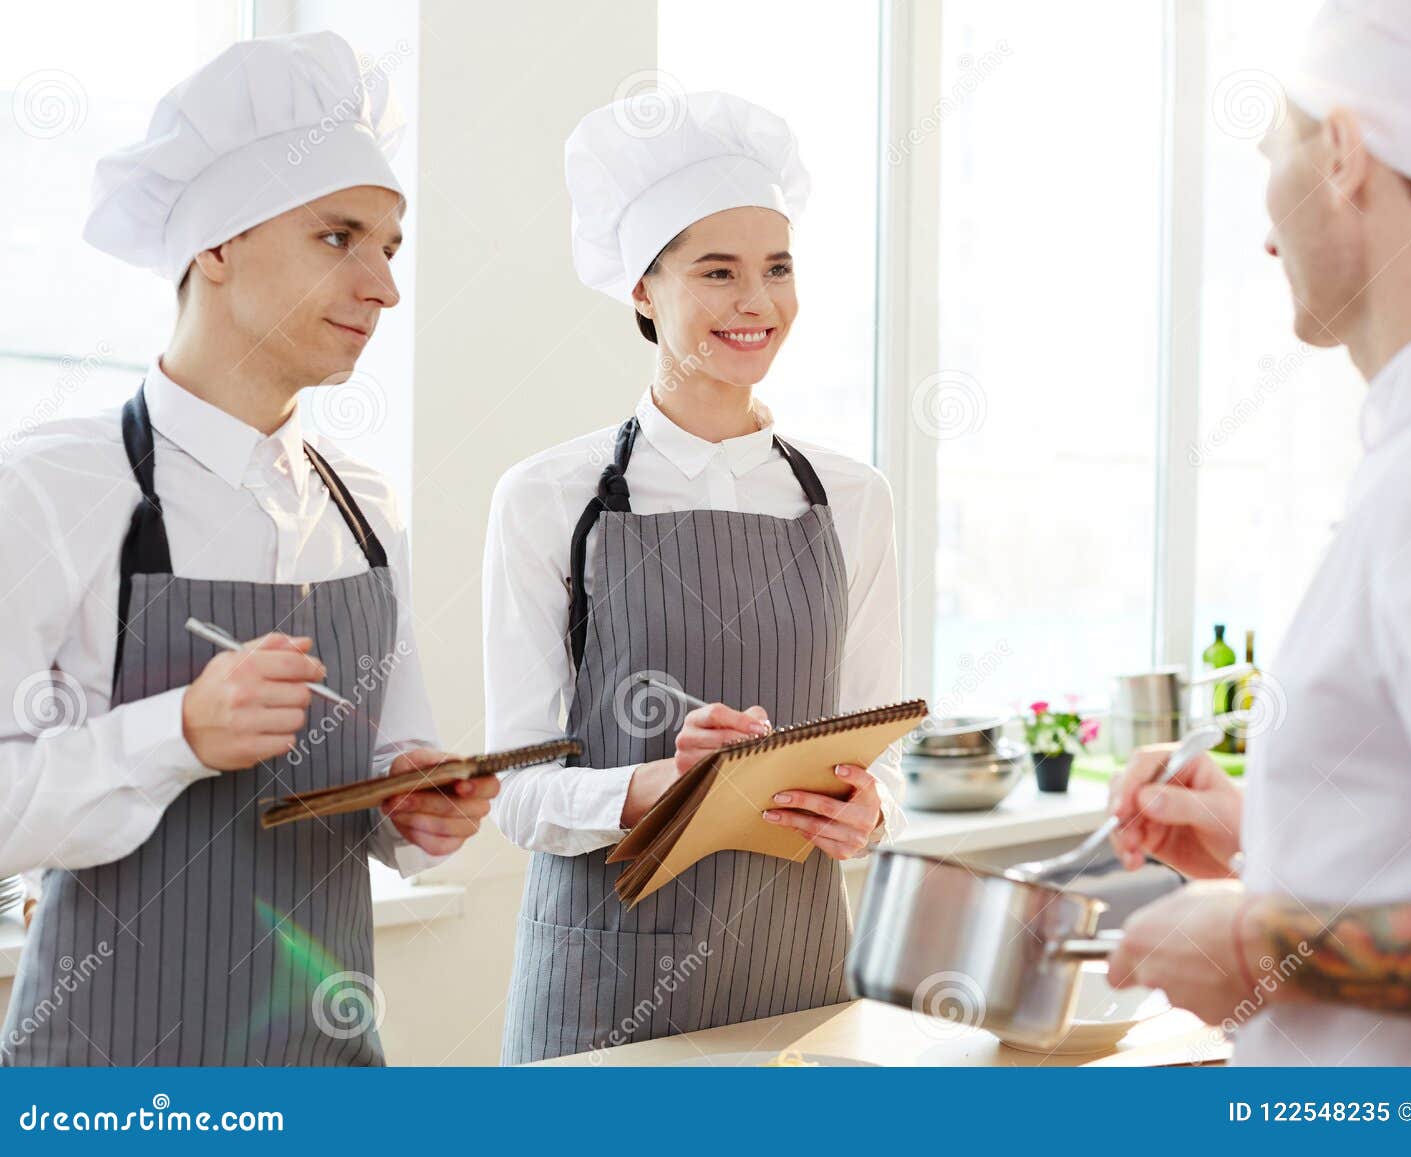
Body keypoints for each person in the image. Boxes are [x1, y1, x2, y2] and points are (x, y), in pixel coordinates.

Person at [1105, 0, 1411, 1064]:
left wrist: (1257, 938)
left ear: (1341, 153)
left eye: (1270, 153)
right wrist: (1280, 840)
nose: (1265, 225)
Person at [0, 32, 497, 1066]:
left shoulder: (363, 507)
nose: (382, 287)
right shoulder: (51, 486)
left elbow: (382, 769)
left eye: (390, 247)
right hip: (110, 1065)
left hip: (329, 1060)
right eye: (338, 237)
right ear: (215, 247)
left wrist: (411, 800)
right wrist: (176, 729)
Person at [484, 91, 905, 1062]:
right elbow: (517, 795)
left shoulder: (851, 496)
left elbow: (878, 750)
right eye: (718, 272)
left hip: (796, 977)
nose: (756, 303)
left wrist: (868, 809)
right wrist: (660, 784)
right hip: (602, 990)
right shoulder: (552, 496)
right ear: (642, 289)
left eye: (777, 269)